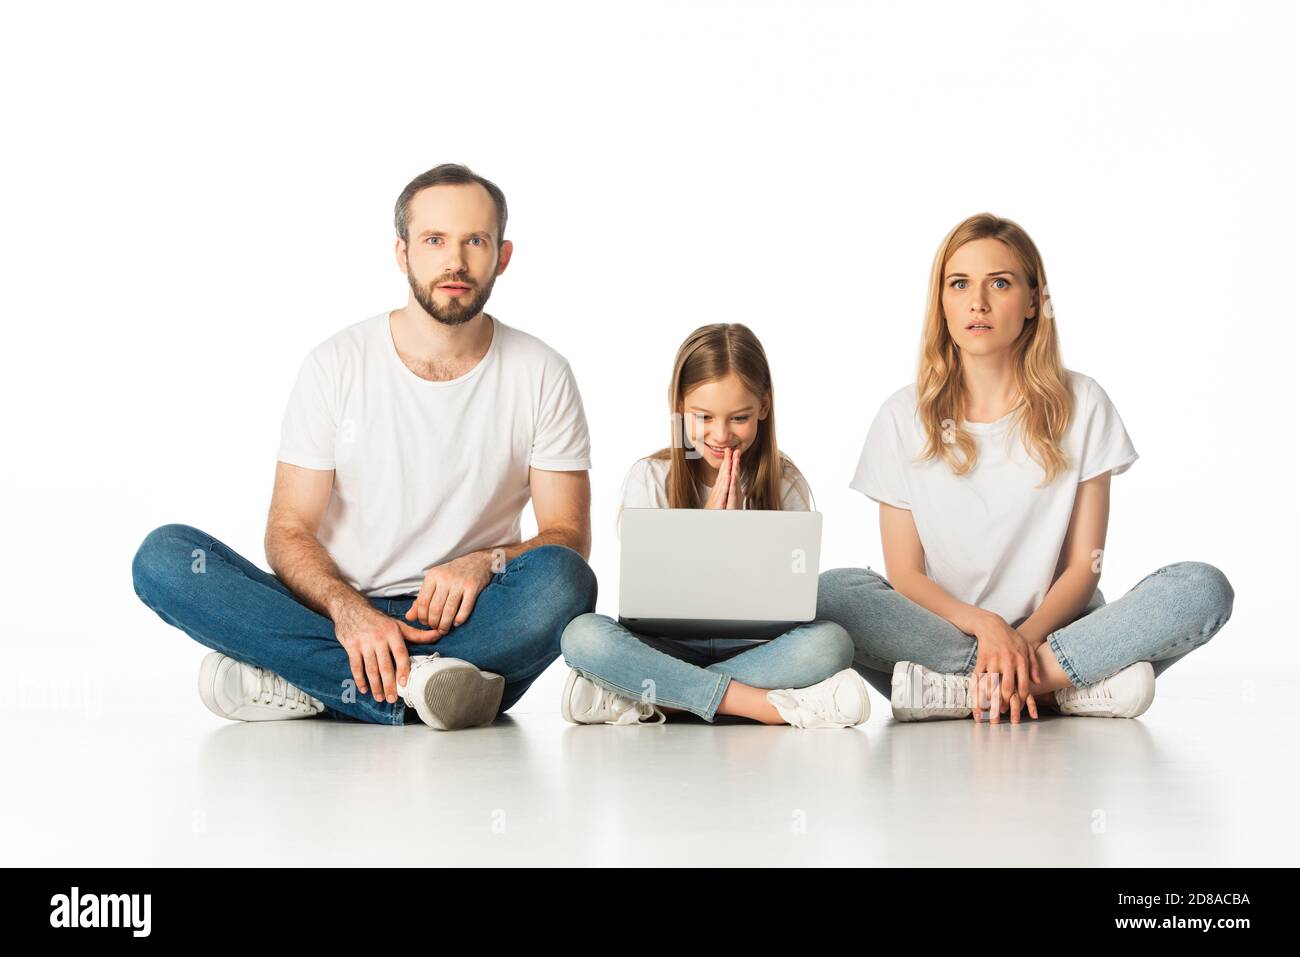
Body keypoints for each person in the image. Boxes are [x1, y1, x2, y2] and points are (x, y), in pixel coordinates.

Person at [131, 163, 597, 730]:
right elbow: (288, 530)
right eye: (434, 240)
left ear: (502, 255)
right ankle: (423, 686)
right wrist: (349, 610)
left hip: (469, 619)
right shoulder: (336, 364)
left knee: (566, 582)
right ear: (402, 254)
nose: (455, 261)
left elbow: (567, 537)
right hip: (331, 610)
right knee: (166, 558)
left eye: (475, 241)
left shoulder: (542, 371)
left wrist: (484, 564)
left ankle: (312, 679)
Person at [816, 213, 1234, 724]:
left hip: (1060, 629)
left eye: (1000, 283)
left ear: (1034, 301)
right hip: (945, 632)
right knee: (828, 594)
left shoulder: (1082, 403)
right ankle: (1066, 688)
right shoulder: (903, 416)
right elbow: (904, 573)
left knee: (1200, 587)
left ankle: (967, 692)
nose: (978, 302)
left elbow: (1086, 566)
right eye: (960, 284)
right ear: (942, 302)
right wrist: (986, 629)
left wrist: (1022, 641)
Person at [560, 323, 867, 729]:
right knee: (582, 635)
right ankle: (755, 704)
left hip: (756, 646)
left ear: (763, 406)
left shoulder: (785, 482)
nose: (721, 435)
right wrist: (704, 530)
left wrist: (742, 536)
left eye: (739, 417)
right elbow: (651, 593)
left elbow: (789, 602)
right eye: (703, 417)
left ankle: (655, 699)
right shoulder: (651, 478)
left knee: (832, 643)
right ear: (680, 409)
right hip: (666, 647)